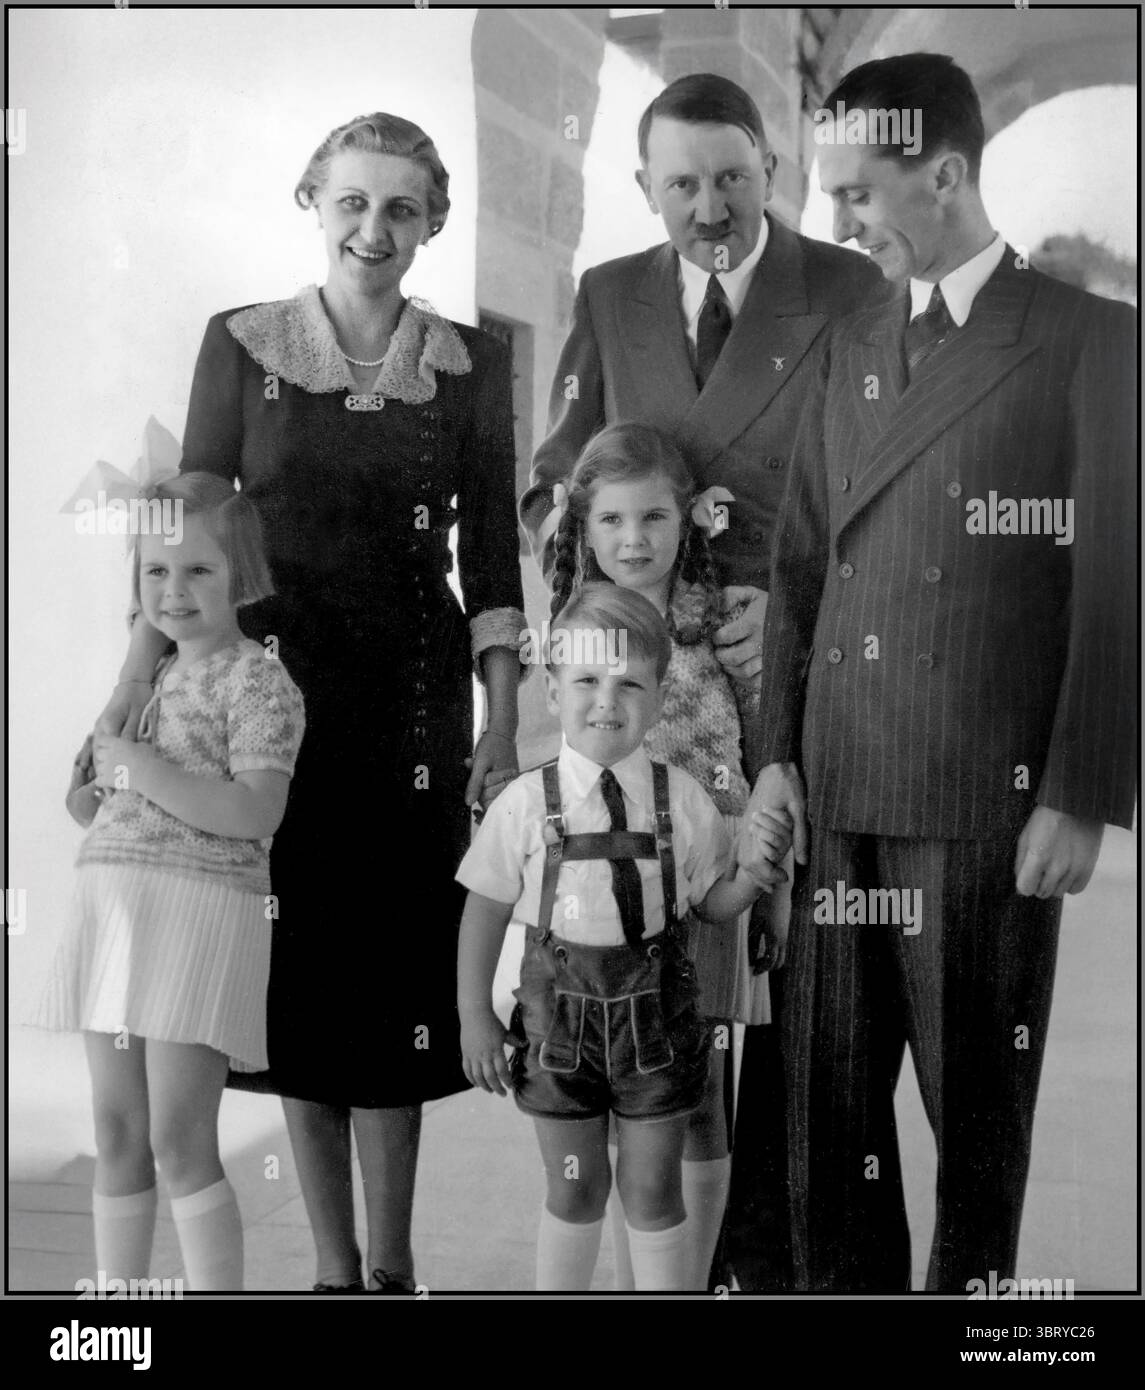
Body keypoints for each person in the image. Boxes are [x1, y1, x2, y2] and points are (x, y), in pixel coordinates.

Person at [95, 113, 526, 1293]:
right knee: (295, 981)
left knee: (396, 973)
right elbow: (186, 527)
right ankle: (333, 1275)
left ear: (433, 218)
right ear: (312, 202)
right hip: (265, 704)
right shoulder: (239, 343)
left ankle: (391, 1270)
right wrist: (136, 679)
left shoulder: (478, 360)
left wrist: (504, 720)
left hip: (414, 707)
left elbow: (491, 560)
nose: (372, 228)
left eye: (400, 207)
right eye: (351, 202)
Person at [746, 53, 1136, 1292]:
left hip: (982, 801)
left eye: (858, 194)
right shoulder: (848, 336)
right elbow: (798, 561)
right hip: (835, 795)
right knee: (826, 1138)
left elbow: (1117, 584)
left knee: (975, 1135)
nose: (836, 223)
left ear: (946, 172)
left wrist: (1078, 790)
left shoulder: (1089, 339)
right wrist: (772, 762)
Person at [456, 585, 791, 1290]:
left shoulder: (684, 800)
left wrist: (755, 874)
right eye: (585, 680)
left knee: (652, 1192)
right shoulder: (522, 803)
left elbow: (711, 906)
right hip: (557, 1029)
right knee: (574, 1190)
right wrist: (471, 1017)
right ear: (552, 691)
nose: (606, 700)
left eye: (628, 683)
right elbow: (482, 913)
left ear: (659, 696)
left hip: (656, 1030)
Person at [521, 71, 882, 685]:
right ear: (646, 188)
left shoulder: (852, 289)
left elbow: (886, 496)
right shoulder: (609, 294)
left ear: (769, 170)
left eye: (731, 179)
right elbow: (554, 484)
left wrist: (804, 613)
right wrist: (605, 594)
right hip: (644, 665)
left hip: (794, 660)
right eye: (682, 184)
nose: (710, 211)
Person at [37, 474, 305, 1291]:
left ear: (242, 577)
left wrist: (143, 772)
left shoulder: (257, 680)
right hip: (117, 905)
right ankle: (119, 1301)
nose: (173, 590)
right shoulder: (145, 684)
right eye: (155, 571)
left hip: (197, 916)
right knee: (117, 1131)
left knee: (179, 1141)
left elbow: (256, 811)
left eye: (197, 571)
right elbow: (119, 806)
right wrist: (94, 793)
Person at [545, 422, 790, 1288]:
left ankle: (689, 1279)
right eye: (611, 520)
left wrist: (773, 886)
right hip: (610, 902)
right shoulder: (575, 633)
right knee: (622, 1107)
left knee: (696, 1104)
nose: (634, 540)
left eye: (653, 518)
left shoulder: (719, 624)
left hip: (715, 885)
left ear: (688, 520)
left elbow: (765, 761)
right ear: (585, 526)